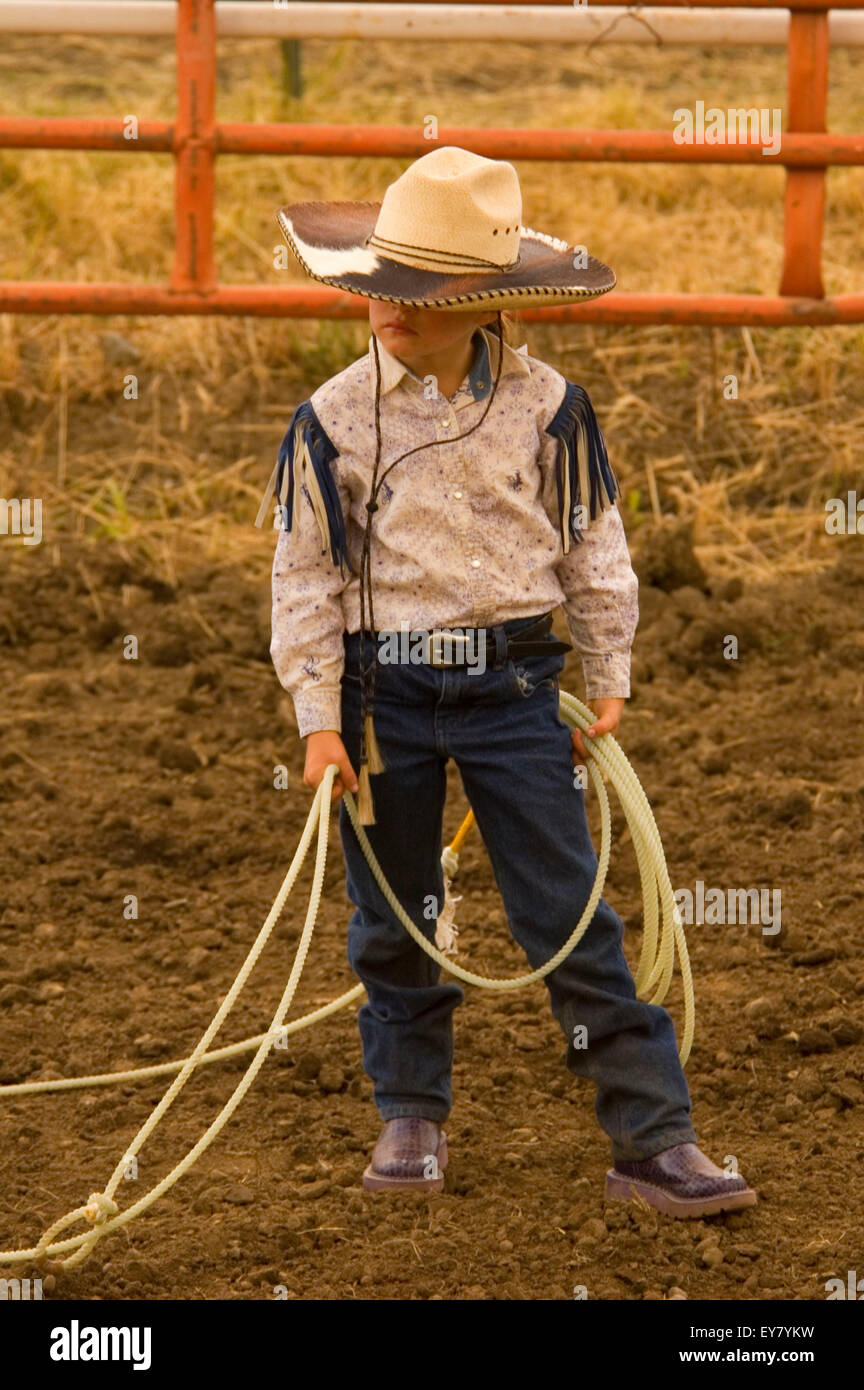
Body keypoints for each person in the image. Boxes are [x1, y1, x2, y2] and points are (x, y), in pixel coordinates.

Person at [257, 146, 756, 1218]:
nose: (388, 312)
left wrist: (608, 670)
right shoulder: (332, 417)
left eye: (418, 299)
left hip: (516, 690)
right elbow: (305, 577)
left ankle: (650, 1136)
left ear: (482, 306)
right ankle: (411, 1110)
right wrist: (317, 720)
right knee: (393, 912)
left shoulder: (549, 410)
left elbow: (593, 549)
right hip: (379, 697)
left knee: (567, 911)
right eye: (380, 289)